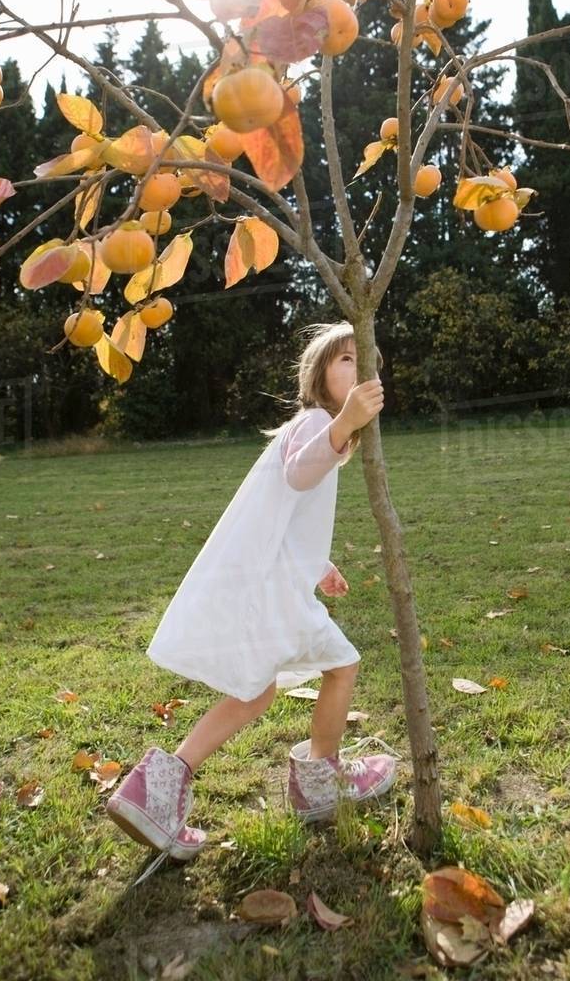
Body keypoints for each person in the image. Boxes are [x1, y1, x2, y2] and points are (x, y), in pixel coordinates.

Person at [106, 321, 400, 884]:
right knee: (343, 664)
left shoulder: (318, 430)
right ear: (319, 375)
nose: (362, 371)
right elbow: (297, 472)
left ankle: (158, 787)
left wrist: (319, 564)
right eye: (346, 361)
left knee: (254, 692)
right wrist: (344, 422)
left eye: (369, 363)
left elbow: (286, 510)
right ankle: (322, 780)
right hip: (271, 594)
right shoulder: (319, 422)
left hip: (272, 584)